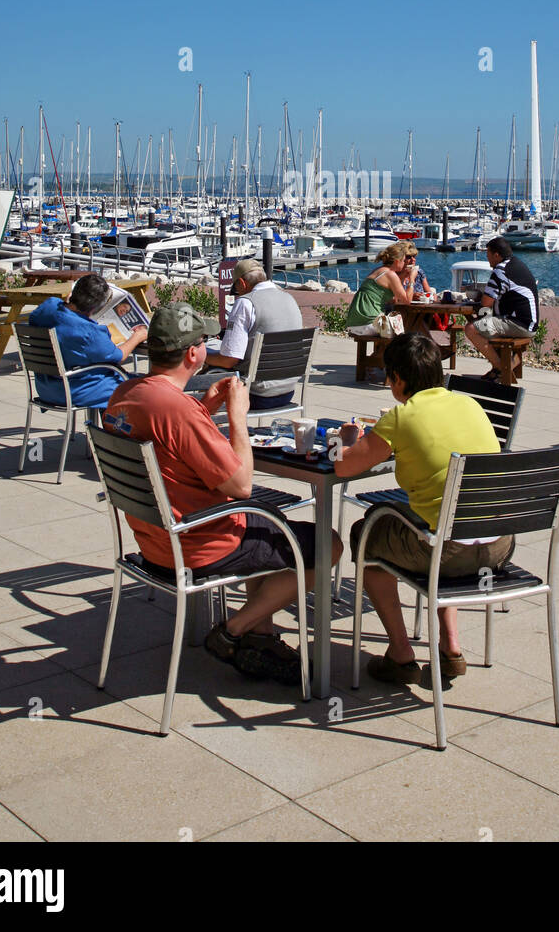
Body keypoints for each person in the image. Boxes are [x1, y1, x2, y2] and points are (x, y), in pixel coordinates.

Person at [103, 304, 341, 683]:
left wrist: (204, 407)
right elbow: (240, 484)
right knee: (326, 544)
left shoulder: (126, 394)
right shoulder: (177, 410)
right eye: (203, 341)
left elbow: (168, 440)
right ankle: (233, 630)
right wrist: (236, 416)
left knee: (267, 527)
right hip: (200, 545)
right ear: (193, 353)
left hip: (154, 543)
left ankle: (260, 639)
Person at [335, 333, 508, 683]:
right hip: (498, 544)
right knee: (447, 521)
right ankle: (450, 645)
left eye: (388, 376)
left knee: (366, 533)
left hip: (449, 552)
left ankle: (400, 654)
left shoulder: (401, 417)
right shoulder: (470, 404)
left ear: (399, 378)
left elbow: (343, 467)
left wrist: (340, 441)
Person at [198, 258, 304, 410]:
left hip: (256, 394)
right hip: (287, 391)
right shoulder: (290, 299)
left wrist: (202, 356)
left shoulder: (246, 303)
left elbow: (229, 360)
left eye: (236, 289)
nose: (237, 294)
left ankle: (208, 427)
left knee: (209, 371)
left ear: (242, 283)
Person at [28, 272, 147, 406]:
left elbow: (57, 311)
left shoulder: (48, 307)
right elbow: (118, 356)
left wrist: (70, 304)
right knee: (143, 385)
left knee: (111, 377)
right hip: (75, 390)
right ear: (95, 307)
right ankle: (110, 426)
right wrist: (138, 336)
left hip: (45, 386)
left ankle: (104, 425)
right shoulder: (88, 332)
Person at [463, 236, 539, 381]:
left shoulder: (500, 270)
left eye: (488, 255)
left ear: (496, 254)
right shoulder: (516, 264)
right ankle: (506, 364)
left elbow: (486, 303)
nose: (488, 260)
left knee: (471, 329)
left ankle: (501, 368)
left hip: (519, 324)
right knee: (485, 325)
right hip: (529, 323)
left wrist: (478, 296)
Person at [346, 242, 412, 330]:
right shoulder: (391, 274)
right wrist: (412, 279)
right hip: (369, 323)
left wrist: (403, 277)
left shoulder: (378, 271)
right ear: (397, 261)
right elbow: (407, 300)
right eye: (403, 260)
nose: (404, 263)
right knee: (407, 330)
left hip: (354, 323)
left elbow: (393, 299)